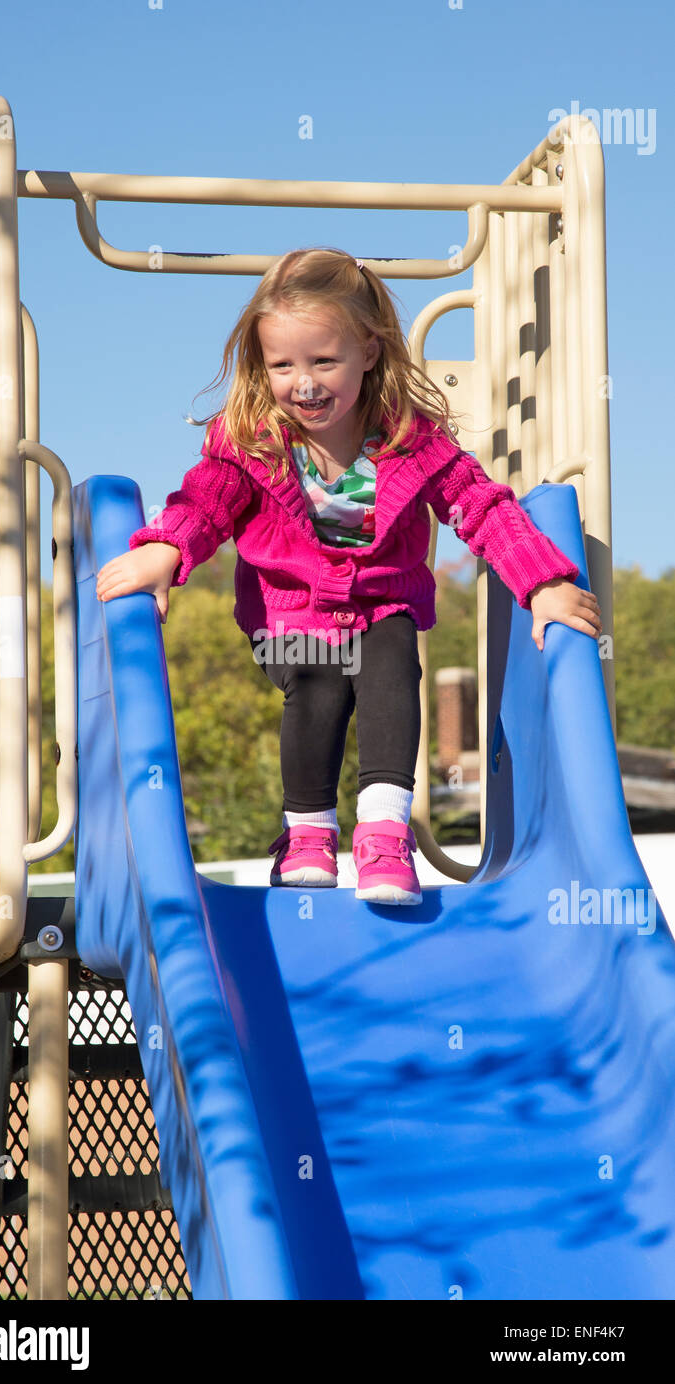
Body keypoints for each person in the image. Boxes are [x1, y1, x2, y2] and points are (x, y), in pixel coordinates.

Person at [97, 247, 602, 906]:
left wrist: (541, 582)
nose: (302, 383)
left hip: (380, 609)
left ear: (368, 351)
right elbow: (206, 500)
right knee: (318, 678)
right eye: (281, 365)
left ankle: (383, 833)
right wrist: (166, 549)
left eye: (322, 361)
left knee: (391, 656)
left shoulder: (411, 440)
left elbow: (480, 506)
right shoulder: (251, 441)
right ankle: (306, 832)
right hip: (287, 620)